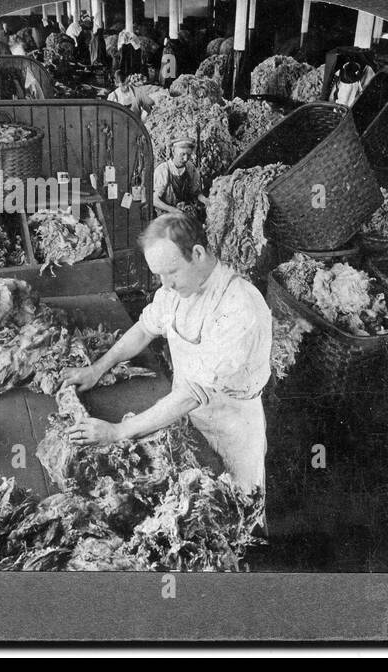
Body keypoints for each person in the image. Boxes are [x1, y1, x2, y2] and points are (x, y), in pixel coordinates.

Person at [61, 213, 274, 496]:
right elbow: (145, 328)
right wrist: (97, 368)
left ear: (197, 253)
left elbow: (193, 393)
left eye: (171, 272)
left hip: (231, 426)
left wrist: (117, 431)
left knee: (236, 507)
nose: (165, 284)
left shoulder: (238, 307)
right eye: (158, 274)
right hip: (183, 412)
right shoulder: (178, 289)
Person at [153, 138, 206, 215]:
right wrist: (172, 210)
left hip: (185, 213)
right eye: (182, 154)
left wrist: (205, 200)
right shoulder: (163, 170)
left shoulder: (190, 168)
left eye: (189, 155)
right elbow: (154, 200)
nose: (185, 159)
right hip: (166, 216)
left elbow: (196, 192)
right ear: (173, 152)